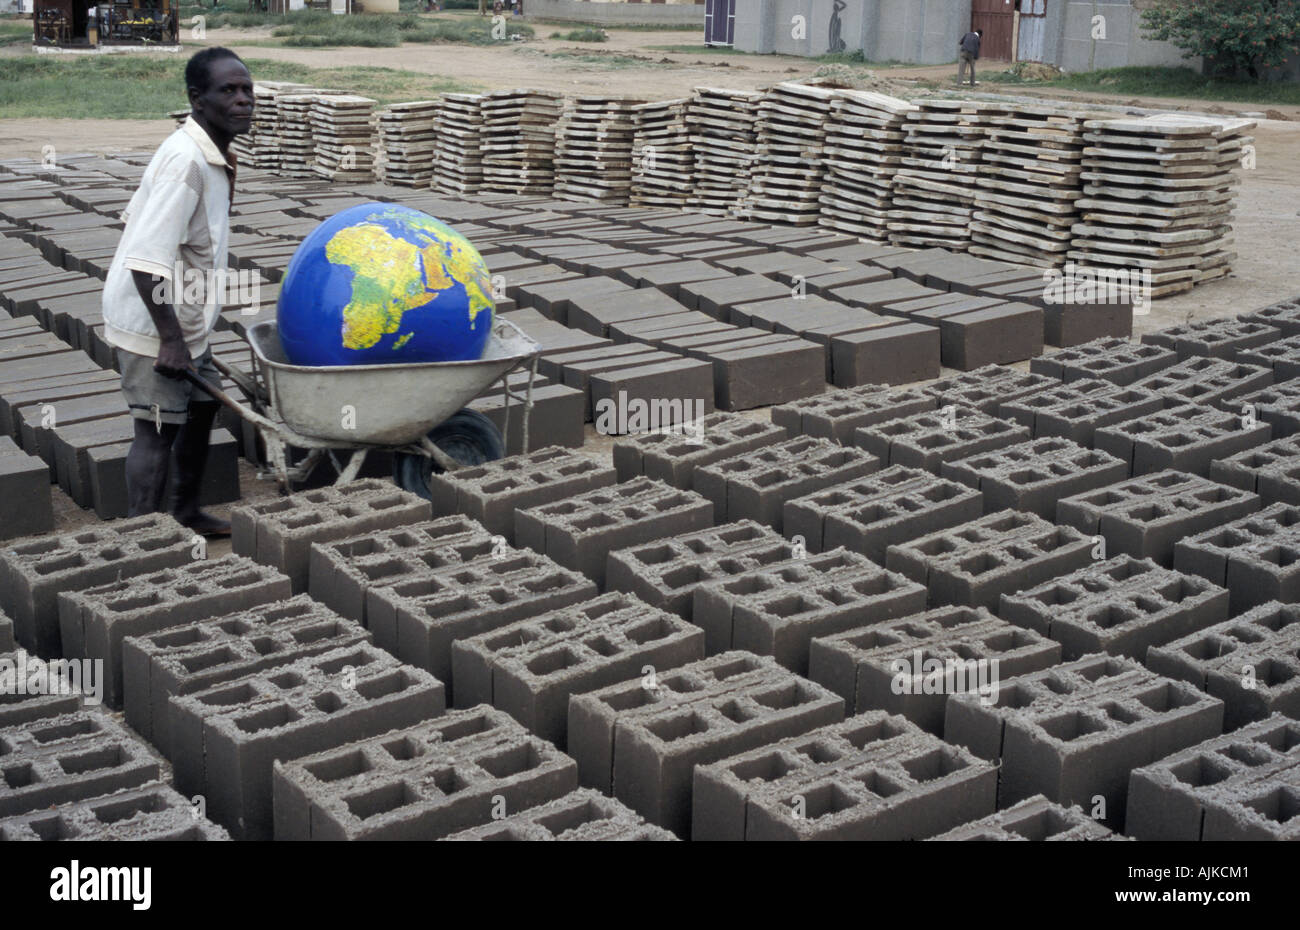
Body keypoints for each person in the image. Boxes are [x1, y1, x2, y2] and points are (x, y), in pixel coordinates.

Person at [101, 47, 253, 535]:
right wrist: (169, 340)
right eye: (228, 91)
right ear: (197, 98)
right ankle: (143, 539)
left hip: (186, 321)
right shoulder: (185, 161)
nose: (243, 100)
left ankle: (186, 511)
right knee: (157, 429)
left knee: (205, 406)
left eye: (248, 90)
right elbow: (145, 263)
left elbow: (138, 221)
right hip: (156, 323)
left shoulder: (214, 153)